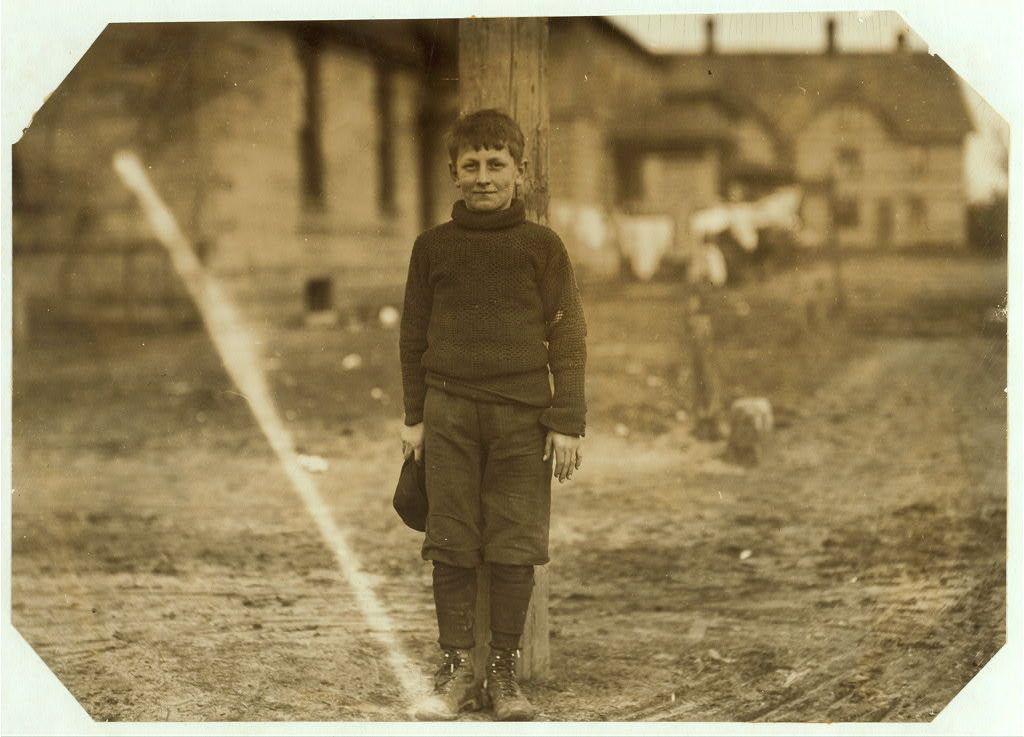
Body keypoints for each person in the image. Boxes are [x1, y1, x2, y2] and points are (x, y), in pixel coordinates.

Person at [399, 109, 587, 721]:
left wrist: (567, 419)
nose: (484, 177)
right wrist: (414, 417)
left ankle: (503, 673)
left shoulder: (542, 246)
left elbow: (569, 335)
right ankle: (456, 670)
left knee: (515, 540)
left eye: (496, 165)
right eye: (471, 165)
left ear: (520, 172)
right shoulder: (432, 247)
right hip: (448, 412)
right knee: (450, 537)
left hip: (523, 418)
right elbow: (412, 336)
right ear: (454, 173)